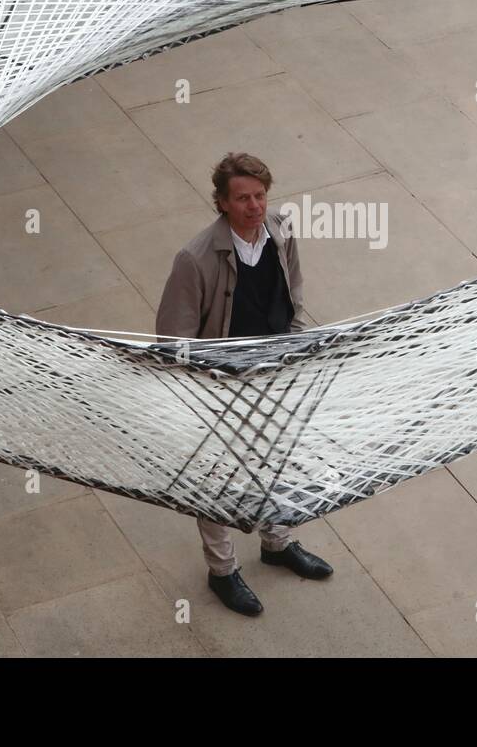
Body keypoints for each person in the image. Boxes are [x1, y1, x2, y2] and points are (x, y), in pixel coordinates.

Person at [155, 151, 334, 616]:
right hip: (221, 382)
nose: (254, 206)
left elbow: (293, 297)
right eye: (242, 198)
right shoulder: (194, 259)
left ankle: (277, 543)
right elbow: (173, 340)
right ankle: (223, 572)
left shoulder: (280, 229)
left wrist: (293, 353)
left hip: (273, 372)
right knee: (215, 479)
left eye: (259, 195)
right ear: (221, 203)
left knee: (277, 463)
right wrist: (207, 388)